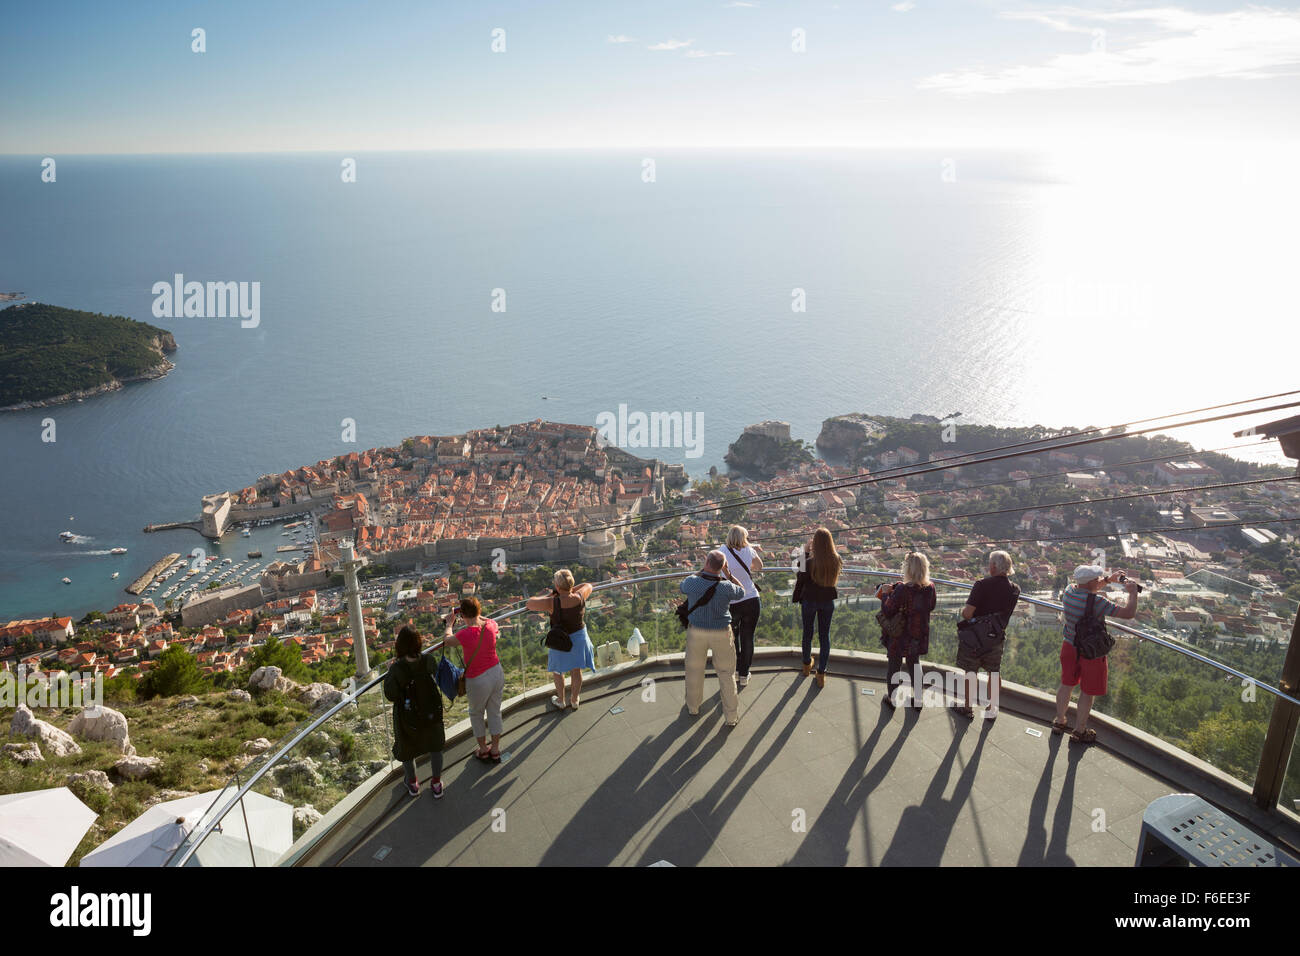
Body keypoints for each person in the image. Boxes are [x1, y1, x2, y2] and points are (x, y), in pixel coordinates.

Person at [1055, 564, 1138, 744]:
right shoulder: (1098, 603)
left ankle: (1059, 721)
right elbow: (1128, 613)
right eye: (1098, 578)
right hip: (1091, 652)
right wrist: (1132, 593)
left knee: (1066, 685)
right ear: (1092, 581)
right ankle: (1079, 731)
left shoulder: (1068, 591)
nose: (1099, 580)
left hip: (1069, 645)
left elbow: (1088, 589)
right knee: (1087, 692)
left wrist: (1108, 580)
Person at [680, 549, 747, 725]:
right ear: (722, 566)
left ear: (707, 563)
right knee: (726, 674)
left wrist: (701, 571)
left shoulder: (693, 583)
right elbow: (742, 592)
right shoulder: (726, 587)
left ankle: (693, 707)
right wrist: (728, 574)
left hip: (697, 632)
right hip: (722, 633)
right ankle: (731, 717)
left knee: (694, 670)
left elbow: (683, 586)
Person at [953, 550, 1020, 720]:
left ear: (993, 566)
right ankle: (992, 708)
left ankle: (967, 708)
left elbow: (968, 614)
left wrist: (962, 610)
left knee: (971, 672)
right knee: (994, 672)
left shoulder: (981, 585)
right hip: (996, 638)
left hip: (975, 638)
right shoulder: (1015, 590)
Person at [382, 624, 445, 798]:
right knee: (435, 746)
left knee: (407, 749)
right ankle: (437, 783)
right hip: (430, 713)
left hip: (407, 717)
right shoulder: (428, 660)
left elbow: (391, 694)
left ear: (400, 646)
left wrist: (389, 672)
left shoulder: (397, 669)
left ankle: (412, 783)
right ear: (418, 643)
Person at [442, 597, 505, 763]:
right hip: (496, 672)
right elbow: (486, 619)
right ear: (479, 611)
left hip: (478, 679)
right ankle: (496, 749)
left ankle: (484, 750)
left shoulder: (465, 634)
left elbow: (448, 641)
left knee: (476, 713)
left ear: (462, 615)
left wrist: (449, 624)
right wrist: (475, 614)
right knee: (494, 711)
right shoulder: (491, 625)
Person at [525, 569, 595, 710]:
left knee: (558, 671)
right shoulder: (580, 596)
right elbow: (588, 585)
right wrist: (570, 590)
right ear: (571, 583)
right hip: (580, 637)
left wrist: (552, 594)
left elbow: (529, 603)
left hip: (560, 640)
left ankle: (561, 700)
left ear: (557, 586)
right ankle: (574, 700)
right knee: (577, 671)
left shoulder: (552, 602)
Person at [876, 552, 938, 711]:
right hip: (917, 633)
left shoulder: (903, 589)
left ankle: (892, 699)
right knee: (914, 664)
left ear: (908, 569)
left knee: (894, 666)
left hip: (900, 634)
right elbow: (931, 606)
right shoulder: (930, 588)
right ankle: (918, 700)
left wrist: (885, 594)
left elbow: (888, 610)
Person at [793, 527, 842, 688]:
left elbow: (798, 573)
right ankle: (821, 673)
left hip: (809, 600)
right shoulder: (836, 559)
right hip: (828, 601)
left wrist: (805, 552)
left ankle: (806, 665)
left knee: (807, 633)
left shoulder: (809, 562)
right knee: (824, 636)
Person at [723, 525, 763, 688]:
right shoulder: (749, 551)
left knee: (733, 638)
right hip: (751, 599)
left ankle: (736, 671)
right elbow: (759, 566)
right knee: (748, 637)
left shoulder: (722, 551)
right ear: (743, 538)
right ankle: (745, 674)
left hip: (732, 601)